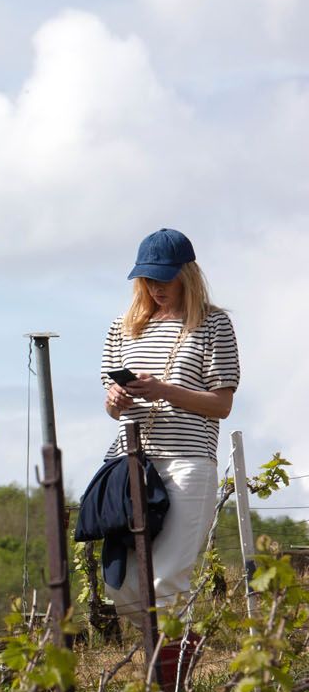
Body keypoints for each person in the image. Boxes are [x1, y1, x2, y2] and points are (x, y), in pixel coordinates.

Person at [101, 228, 238, 622]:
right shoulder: (123, 327)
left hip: (188, 462)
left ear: (187, 274)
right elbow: (110, 406)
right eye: (148, 277)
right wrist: (116, 399)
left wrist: (163, 390)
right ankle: (165, 660)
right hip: (131, 462)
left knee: (166, 580)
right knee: (120, 583)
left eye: (164, 276)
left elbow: (222, 405)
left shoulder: (214, 324)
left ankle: (169, 675)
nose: (156, 286)